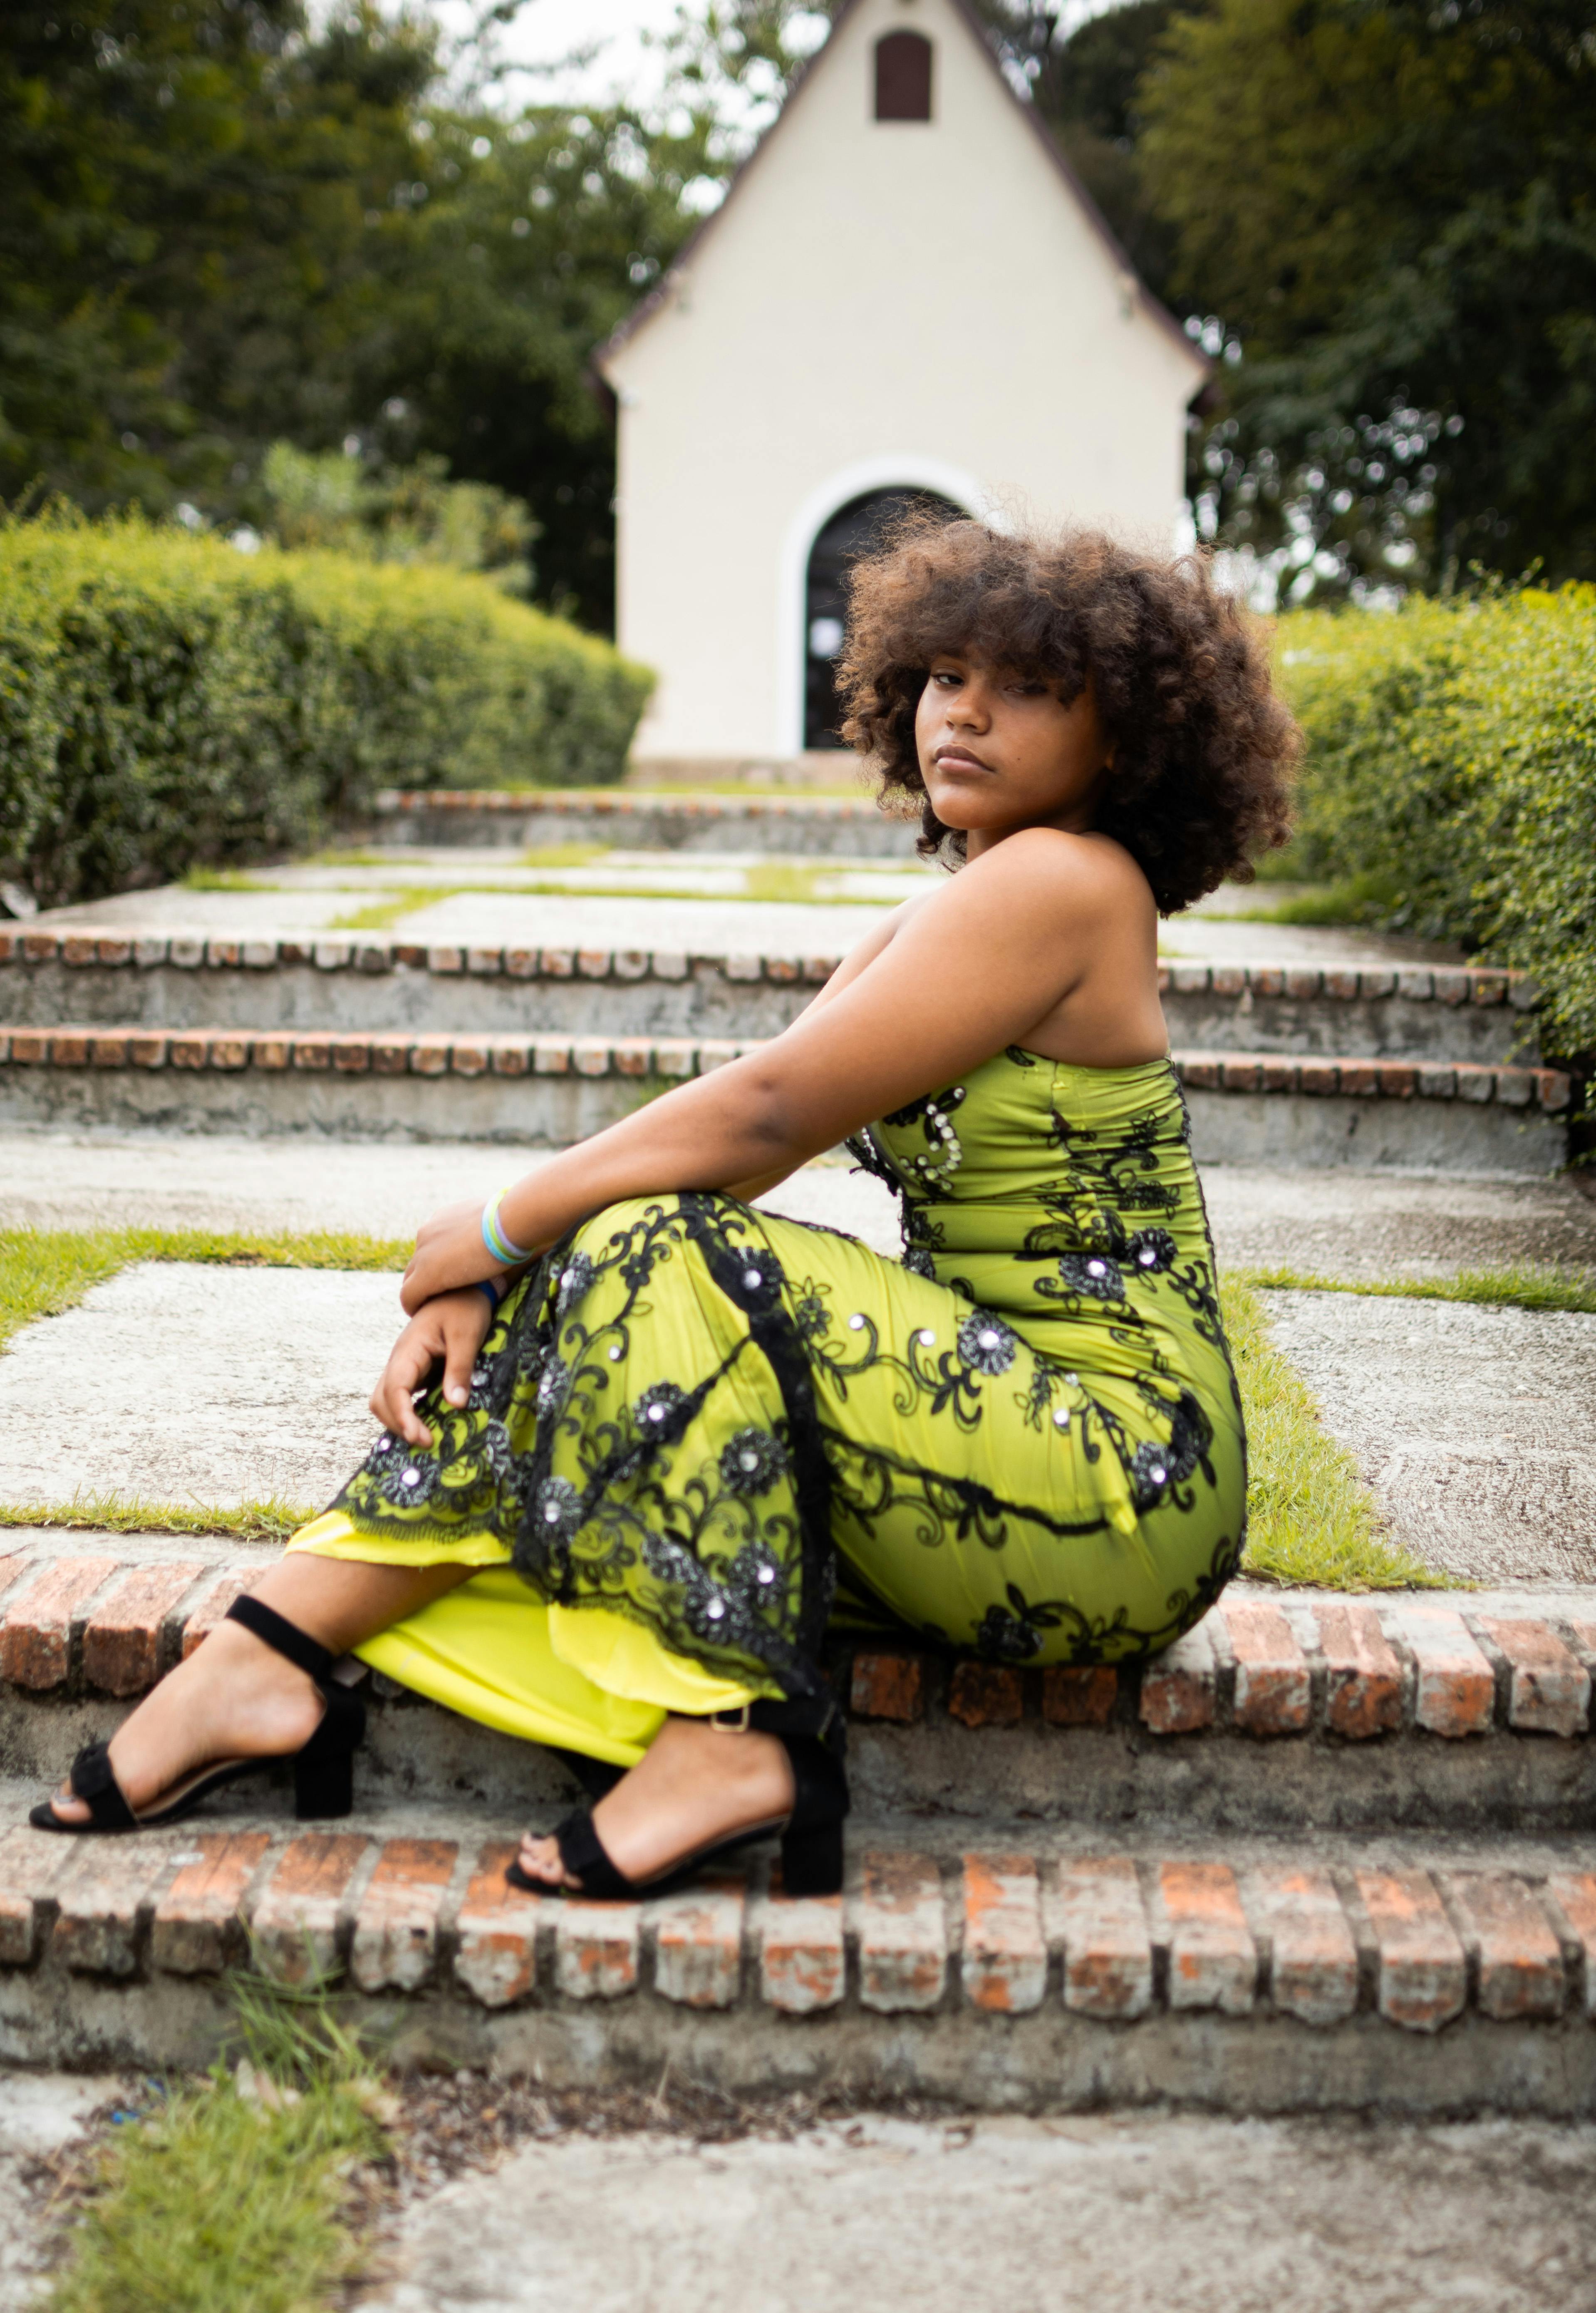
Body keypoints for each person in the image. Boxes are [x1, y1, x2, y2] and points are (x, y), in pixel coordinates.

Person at [31, 520, 1297, 1898]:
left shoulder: (1069, 881)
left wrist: (498, 1225)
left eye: (1029, 685)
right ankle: (262, 1660)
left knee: (645, 1249)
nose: (966, 710)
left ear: (1128, 738)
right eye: (940, 675)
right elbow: (738, 1150)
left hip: (1116, 1475)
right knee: (625, 1282)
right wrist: (501, 1278)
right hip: (989, 1447)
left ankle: (729, 1737)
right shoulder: (952, 908)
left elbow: (760, 1116)